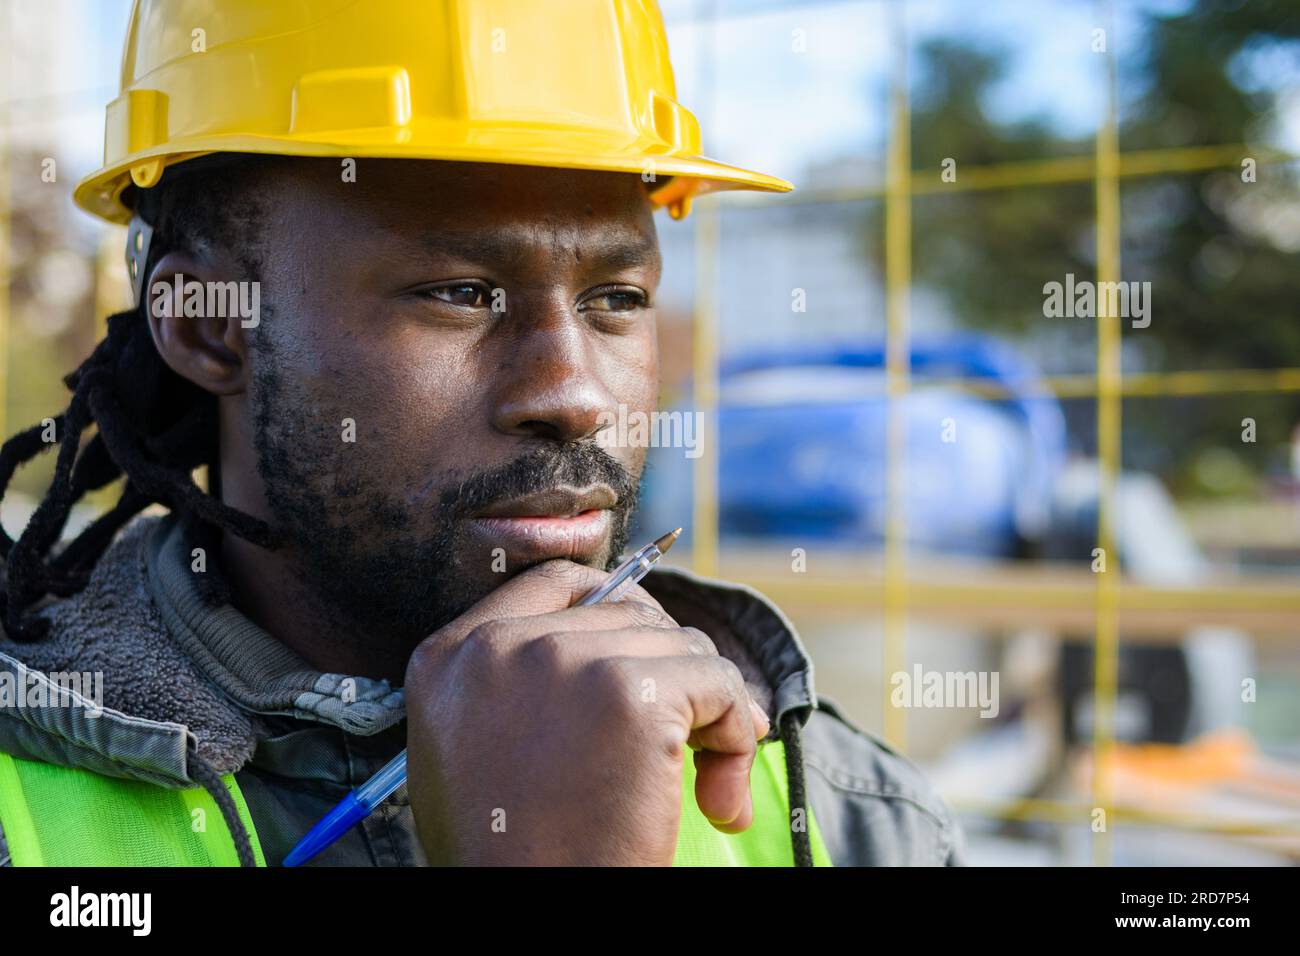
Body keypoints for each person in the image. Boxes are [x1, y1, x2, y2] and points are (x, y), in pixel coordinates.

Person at [0, 0, 964, 866]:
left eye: (616, 298)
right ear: (209, 324)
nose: (574, 394)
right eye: (460, 293)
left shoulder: (841, 815)